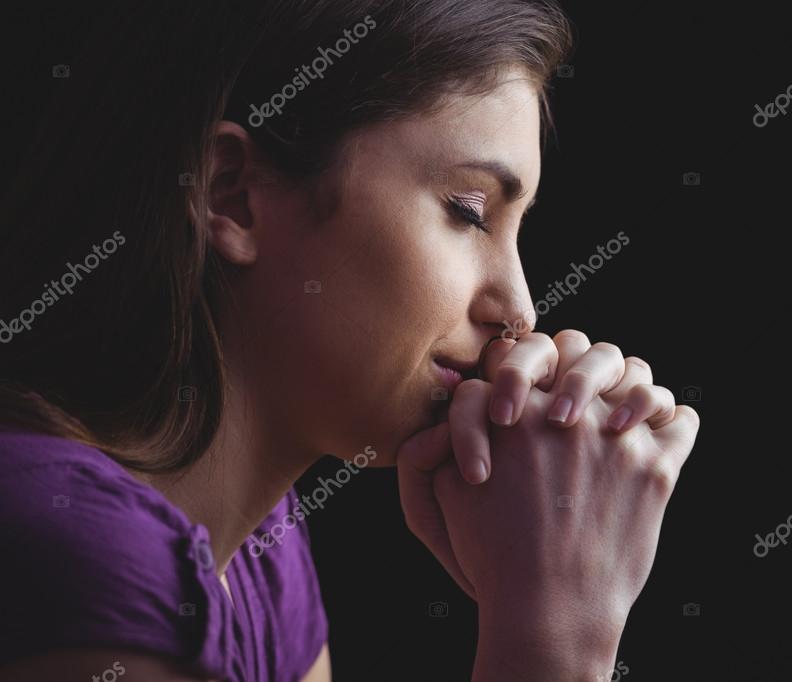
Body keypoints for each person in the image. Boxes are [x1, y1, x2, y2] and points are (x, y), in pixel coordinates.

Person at [0, 1, 699, 680]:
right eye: (468, 212)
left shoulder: (255, 553)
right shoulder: (79, 554)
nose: (517, 310)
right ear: (233, 195)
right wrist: (556, 631)